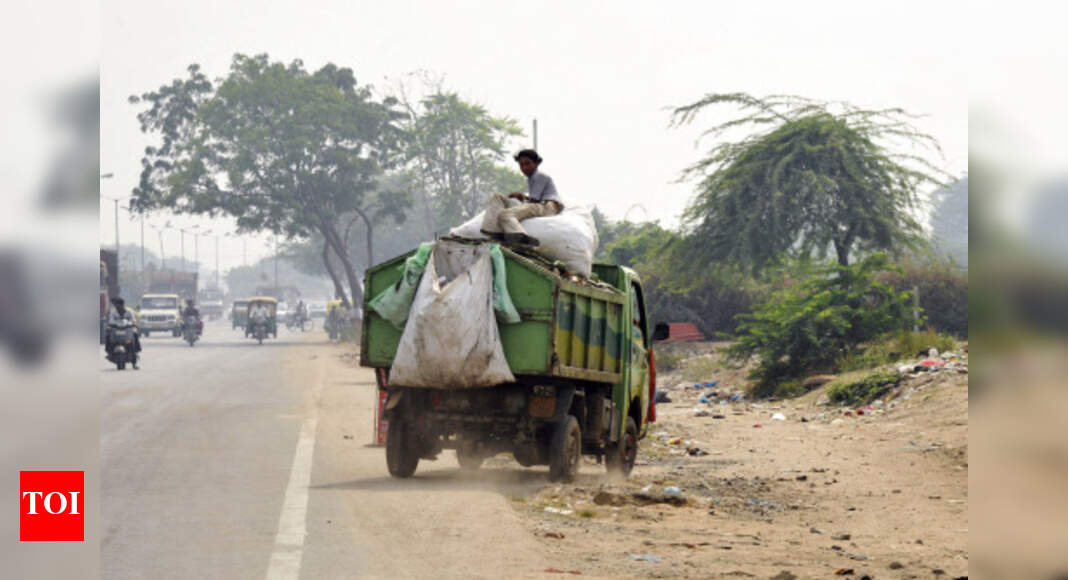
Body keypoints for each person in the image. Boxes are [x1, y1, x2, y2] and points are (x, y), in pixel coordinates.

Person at [481, 149, 564, 246]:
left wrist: (523, 200)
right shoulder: (532, 178)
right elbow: (533, 199)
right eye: (521, 165)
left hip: (547, 207)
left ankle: (522, 239)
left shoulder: (539, 176)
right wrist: (522, 197)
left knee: (505, 215)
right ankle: (492, 231)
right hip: (539, 205)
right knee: (498, 197)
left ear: (536, 163)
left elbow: (534, 201)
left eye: (527, 163)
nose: (524, 167)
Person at [106, 297, 141, 367]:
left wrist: (133, 324)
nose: (117, 307)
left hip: (127, 329)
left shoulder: (129, 312)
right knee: (107, 334)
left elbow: (133, 320)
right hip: (116, 330)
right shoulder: (113, 312)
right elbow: (111, 321)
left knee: (135, 334)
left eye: (119, 305)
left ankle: (136, 351)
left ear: (122, 305)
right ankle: (108, 350)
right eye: (116, 305)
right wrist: (110, 325)